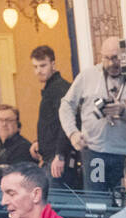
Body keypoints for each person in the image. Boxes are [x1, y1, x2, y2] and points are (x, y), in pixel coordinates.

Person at [59, 37, 126, 194]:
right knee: (97, 202)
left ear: (125, 55)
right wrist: (72, 133)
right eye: (106, 58)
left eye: (115, 58)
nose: (110, 64)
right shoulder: (88, 76)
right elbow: (66, 105)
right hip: (95, 153)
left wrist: (124, 112)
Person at [29, 46, 78, 189]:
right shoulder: (52, 88)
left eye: (43, 65)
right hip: (52, 157)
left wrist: (60, 155)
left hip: (58, 160)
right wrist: (40, 142)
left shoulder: (59, 88)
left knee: (56, 204)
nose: (39, 70)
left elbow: (67, 123)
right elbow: (53, 124)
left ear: (53, 64)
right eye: (35, 66)